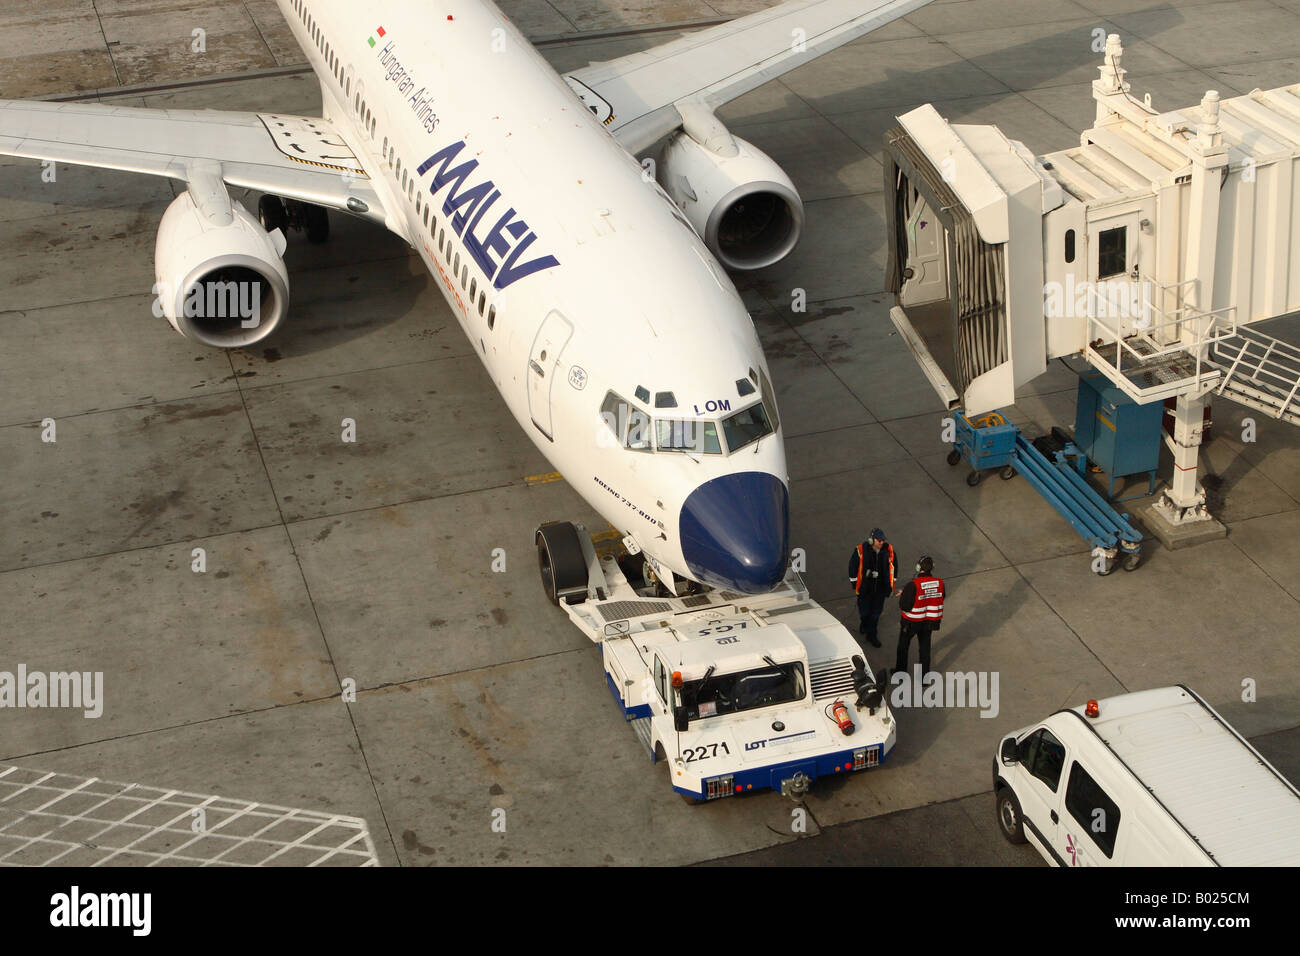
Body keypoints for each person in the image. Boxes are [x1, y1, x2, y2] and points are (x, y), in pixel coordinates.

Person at [895, 555, 945, 676]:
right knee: (924, 650)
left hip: (911, 623)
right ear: (932, 567)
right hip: (929, 623)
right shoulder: (939, 582)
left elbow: (905, 606)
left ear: (918, 567)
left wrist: (905, 593)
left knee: (903, 647)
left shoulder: (912, 585)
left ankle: (900, 674)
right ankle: (924, 677)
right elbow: (941, 596)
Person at [848, 529, 896, 648]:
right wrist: (856, 586)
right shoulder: (860, 551)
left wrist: (890, 586)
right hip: (865, 590)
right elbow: (852, 569)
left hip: (880, 590)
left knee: (875, 614)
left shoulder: (888, 551)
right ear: (872, 540)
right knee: (864, 612)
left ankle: (872, 635)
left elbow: (894, 569)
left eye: (883, 540)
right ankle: (864, 624)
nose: (881, 542)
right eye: (879, 540)